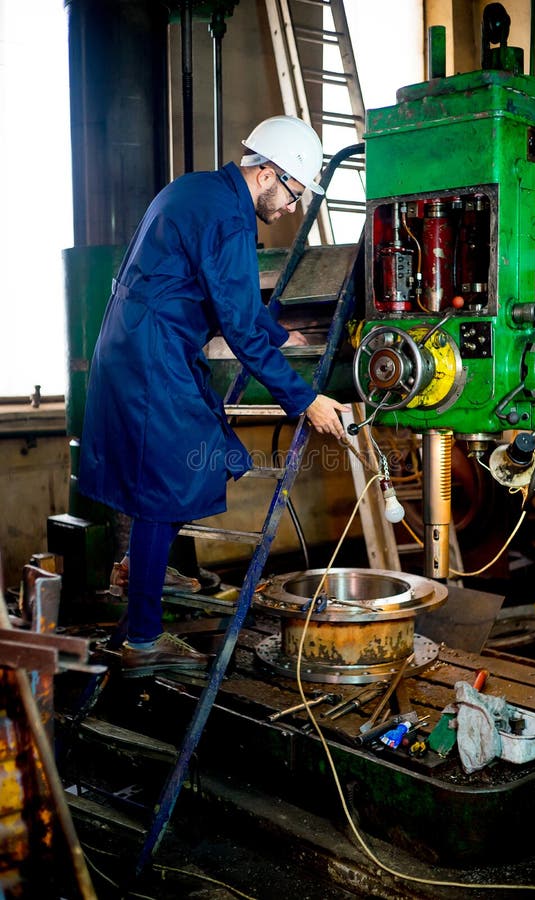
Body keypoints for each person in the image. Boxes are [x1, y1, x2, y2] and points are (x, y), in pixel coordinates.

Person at [78, 115, 349, 677]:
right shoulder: (229, 218)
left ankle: (142, 568)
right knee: (165, 487)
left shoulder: (196, 189)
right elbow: (240, 325)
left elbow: (232, 305)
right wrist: (306, 401)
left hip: (139, 348)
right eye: (294, 193)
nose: (293, 208)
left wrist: (280, 334)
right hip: (155, 357)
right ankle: (145, 641)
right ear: (268, 173)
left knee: (218, 454)